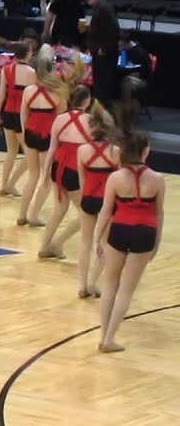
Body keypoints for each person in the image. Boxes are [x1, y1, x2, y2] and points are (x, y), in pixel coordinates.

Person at [96, 130, 165, 353]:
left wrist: (98, 239)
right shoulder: (157, 179)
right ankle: (110, 338)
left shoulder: (115, 178)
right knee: (126, 290)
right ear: (145, 151)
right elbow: (159, 212)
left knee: (109, 285)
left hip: (119, 230)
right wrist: (157, 241)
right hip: (145, 232)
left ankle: (103, 335)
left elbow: (105, 212)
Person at [38, 85, 96, 259]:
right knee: (88, 213)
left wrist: (46, 174)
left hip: (58, 167)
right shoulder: (91, 121)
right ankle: (57, 244)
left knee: (60, 208)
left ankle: (44, 246)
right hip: (75, 170)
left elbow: (52, 148)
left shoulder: (60, 119)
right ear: (87, 101)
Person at [68, 104, 118, 298]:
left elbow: (82, 179)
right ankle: (93, 282)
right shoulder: (116, 151)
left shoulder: (82, 150)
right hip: (107, 201)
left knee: (85, 242)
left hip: (87, 197)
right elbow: (119, 179)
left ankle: (81, 285)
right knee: (105, 243)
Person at [17, 53, 71, 227]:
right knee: (46, 179)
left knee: (32, 175)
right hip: (48, 137)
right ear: (52, 70)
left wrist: (26, 135)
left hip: (30, 134)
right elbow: (61, 119)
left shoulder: (28, 90)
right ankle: (34, 215)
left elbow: (23, 115)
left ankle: (22, 214)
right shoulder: (59, 92)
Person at [0, 42, 34, 196]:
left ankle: (4, 185)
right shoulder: (32, 73)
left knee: (11, 152)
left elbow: (1, 96)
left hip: (7, 114)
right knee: (30, 155)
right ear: (28, 53)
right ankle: (10, 184)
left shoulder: (6, 70)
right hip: (23, 116)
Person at [85, 0, 120, 107]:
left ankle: (102, 118)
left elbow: (115, 30)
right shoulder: (101, 8)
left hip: (104, 58)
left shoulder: (104, 9)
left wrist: (104, 49)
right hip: (101, 56)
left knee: (102, 90)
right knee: (100, 89)